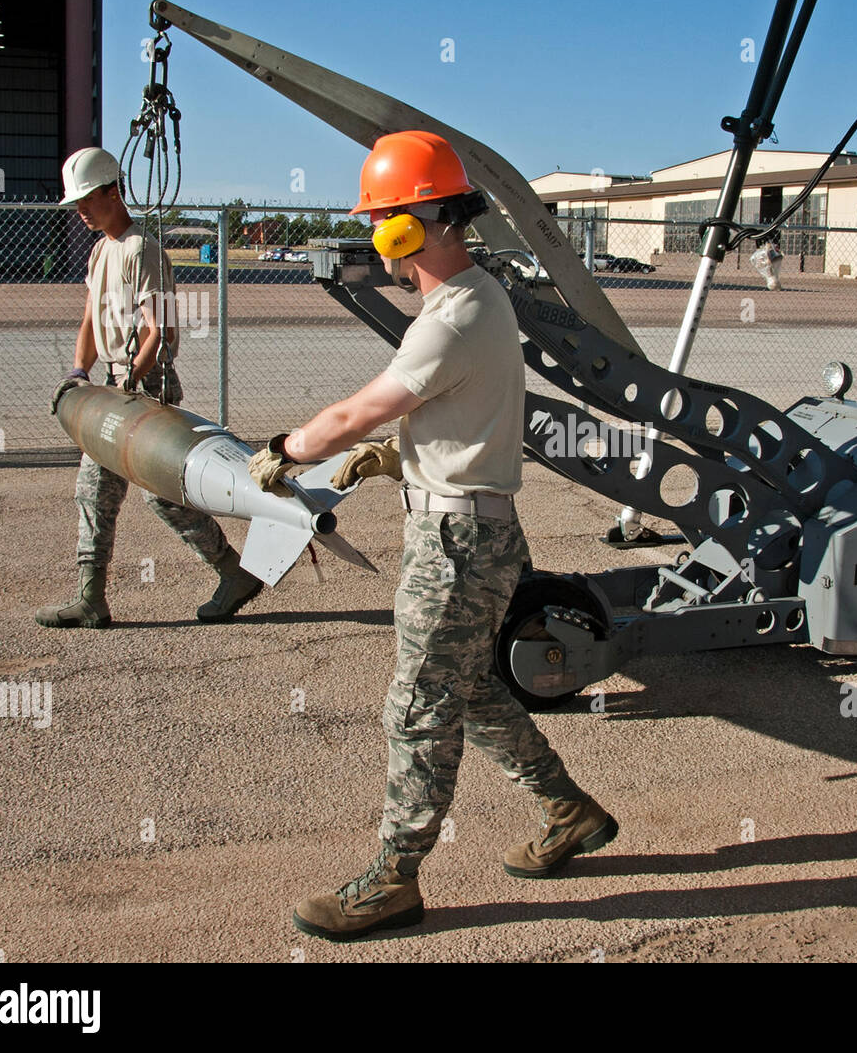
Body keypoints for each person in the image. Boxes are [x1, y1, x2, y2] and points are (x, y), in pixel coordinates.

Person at [248, 130, 617, 942]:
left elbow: (355, 412)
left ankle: (394, 881)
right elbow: (449, 415)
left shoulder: (453, 316)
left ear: (411, 226)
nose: (378, 240)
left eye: (382, 221)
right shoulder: (473, 299)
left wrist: (285, 451)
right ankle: (570, 810)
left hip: (456, 546)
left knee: (417, 708)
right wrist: (401, 460)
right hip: (471, 529)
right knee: (471, 689)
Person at [36, 147, 263, 630]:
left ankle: (233, 572)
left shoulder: (142, 249)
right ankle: (92, 598)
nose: (79, 210)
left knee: (162, 494)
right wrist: (79, 372)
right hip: (116, 384)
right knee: (95, 493)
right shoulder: (101, 250)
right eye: (75, 202)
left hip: (146, 383)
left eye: (87, 199)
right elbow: (90, 317)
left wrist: (131, 380)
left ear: (113, 191)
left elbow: (161, 328)